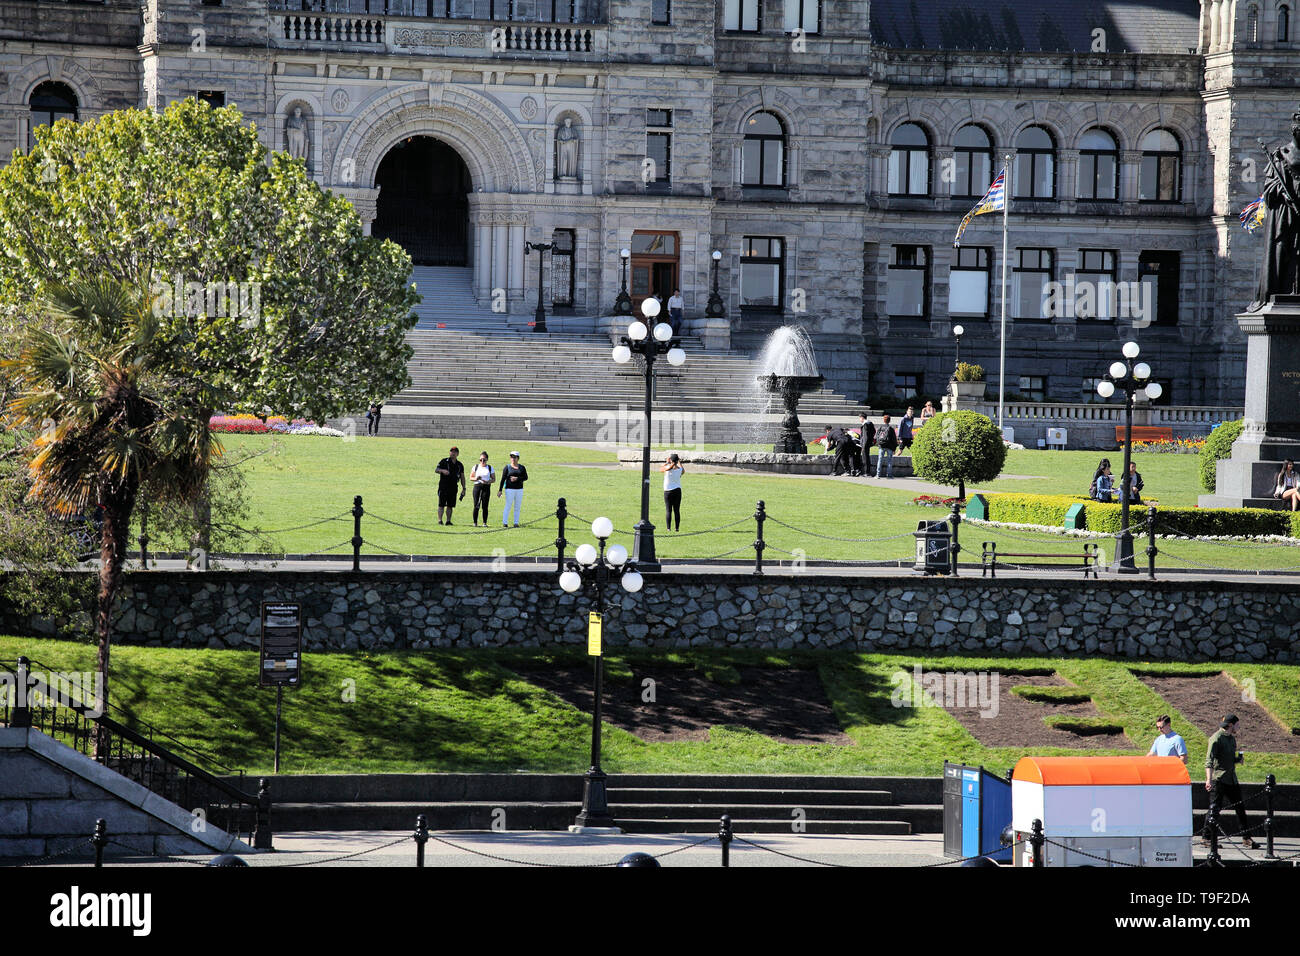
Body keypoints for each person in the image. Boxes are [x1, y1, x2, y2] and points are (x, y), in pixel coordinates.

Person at [1203, 714, 1257, 849]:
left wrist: (1237, 760)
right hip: (1219, 779)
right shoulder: (1216, 739)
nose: (1239, 727)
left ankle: (1246, 838)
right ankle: (1206, 838)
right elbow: (1209, 761)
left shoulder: (1231, 739)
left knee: (1240, 808)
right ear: (1231, 725)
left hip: (1231, 779)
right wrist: (1208, 780)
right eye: (1237, 724)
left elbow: (1228, 758)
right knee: (1214, 809)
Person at [435, 446, 466, 525]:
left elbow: (462, 477)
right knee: (441, 504)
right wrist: (442, 470)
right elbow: (436, 470)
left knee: (450, 505)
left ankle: (448, 521)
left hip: (453, 487)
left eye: (455, 452)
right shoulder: (444, 461)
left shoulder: (460, 465)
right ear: (449, 453)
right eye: (452, 451)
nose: (453, 453)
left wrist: (464, 488)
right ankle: (440, 520)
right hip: (443, 487)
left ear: (457, 454)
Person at [498, 450, 529, 527]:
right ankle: (505, 522)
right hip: (509, 489)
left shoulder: (522, 467)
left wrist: (517, 478)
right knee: (508, 505)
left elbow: (526, 477)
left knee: (517, 506)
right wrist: (500, 490)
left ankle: (516, 522)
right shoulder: (507, 467)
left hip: (519, 489)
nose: (513, 458)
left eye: (514, 457)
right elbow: (503, 479)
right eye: (511, 457)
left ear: (518, 458)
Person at [469, 451, 495, 527]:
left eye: (484, 460)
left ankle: (484, 523)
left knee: (485, 506)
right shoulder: (476, 467)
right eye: (481, 460)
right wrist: (476, 478)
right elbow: (471, 477)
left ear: (487, 459)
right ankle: (475, 523)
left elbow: (494, 479)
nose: (482, 461)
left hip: (486, 487)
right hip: (477, 486)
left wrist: (487, 482)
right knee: (476, 505)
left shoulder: (490, 468)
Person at [662, 453, 684, 530]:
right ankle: (677, 528)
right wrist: (679, 462)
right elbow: (683, 471)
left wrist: (667, 462)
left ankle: (668, 528)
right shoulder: (679, 470)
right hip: (677, 490)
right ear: (677, 460)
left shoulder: (667, 469)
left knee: (668, 510)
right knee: (677, 510)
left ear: (671, 460)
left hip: (668, 491)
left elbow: (662, 469)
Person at [875, 413, 898, 478]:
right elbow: (894, 439)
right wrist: (894, 448)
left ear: (884, 420)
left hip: (882, 446)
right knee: (889, 461)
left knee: (880, 460)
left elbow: (876, 437)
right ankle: (889, 475)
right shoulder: (891, 429)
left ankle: (878, 474)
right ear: (889, 420)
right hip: (889, 447)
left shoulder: (880, 427)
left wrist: (879, 444)